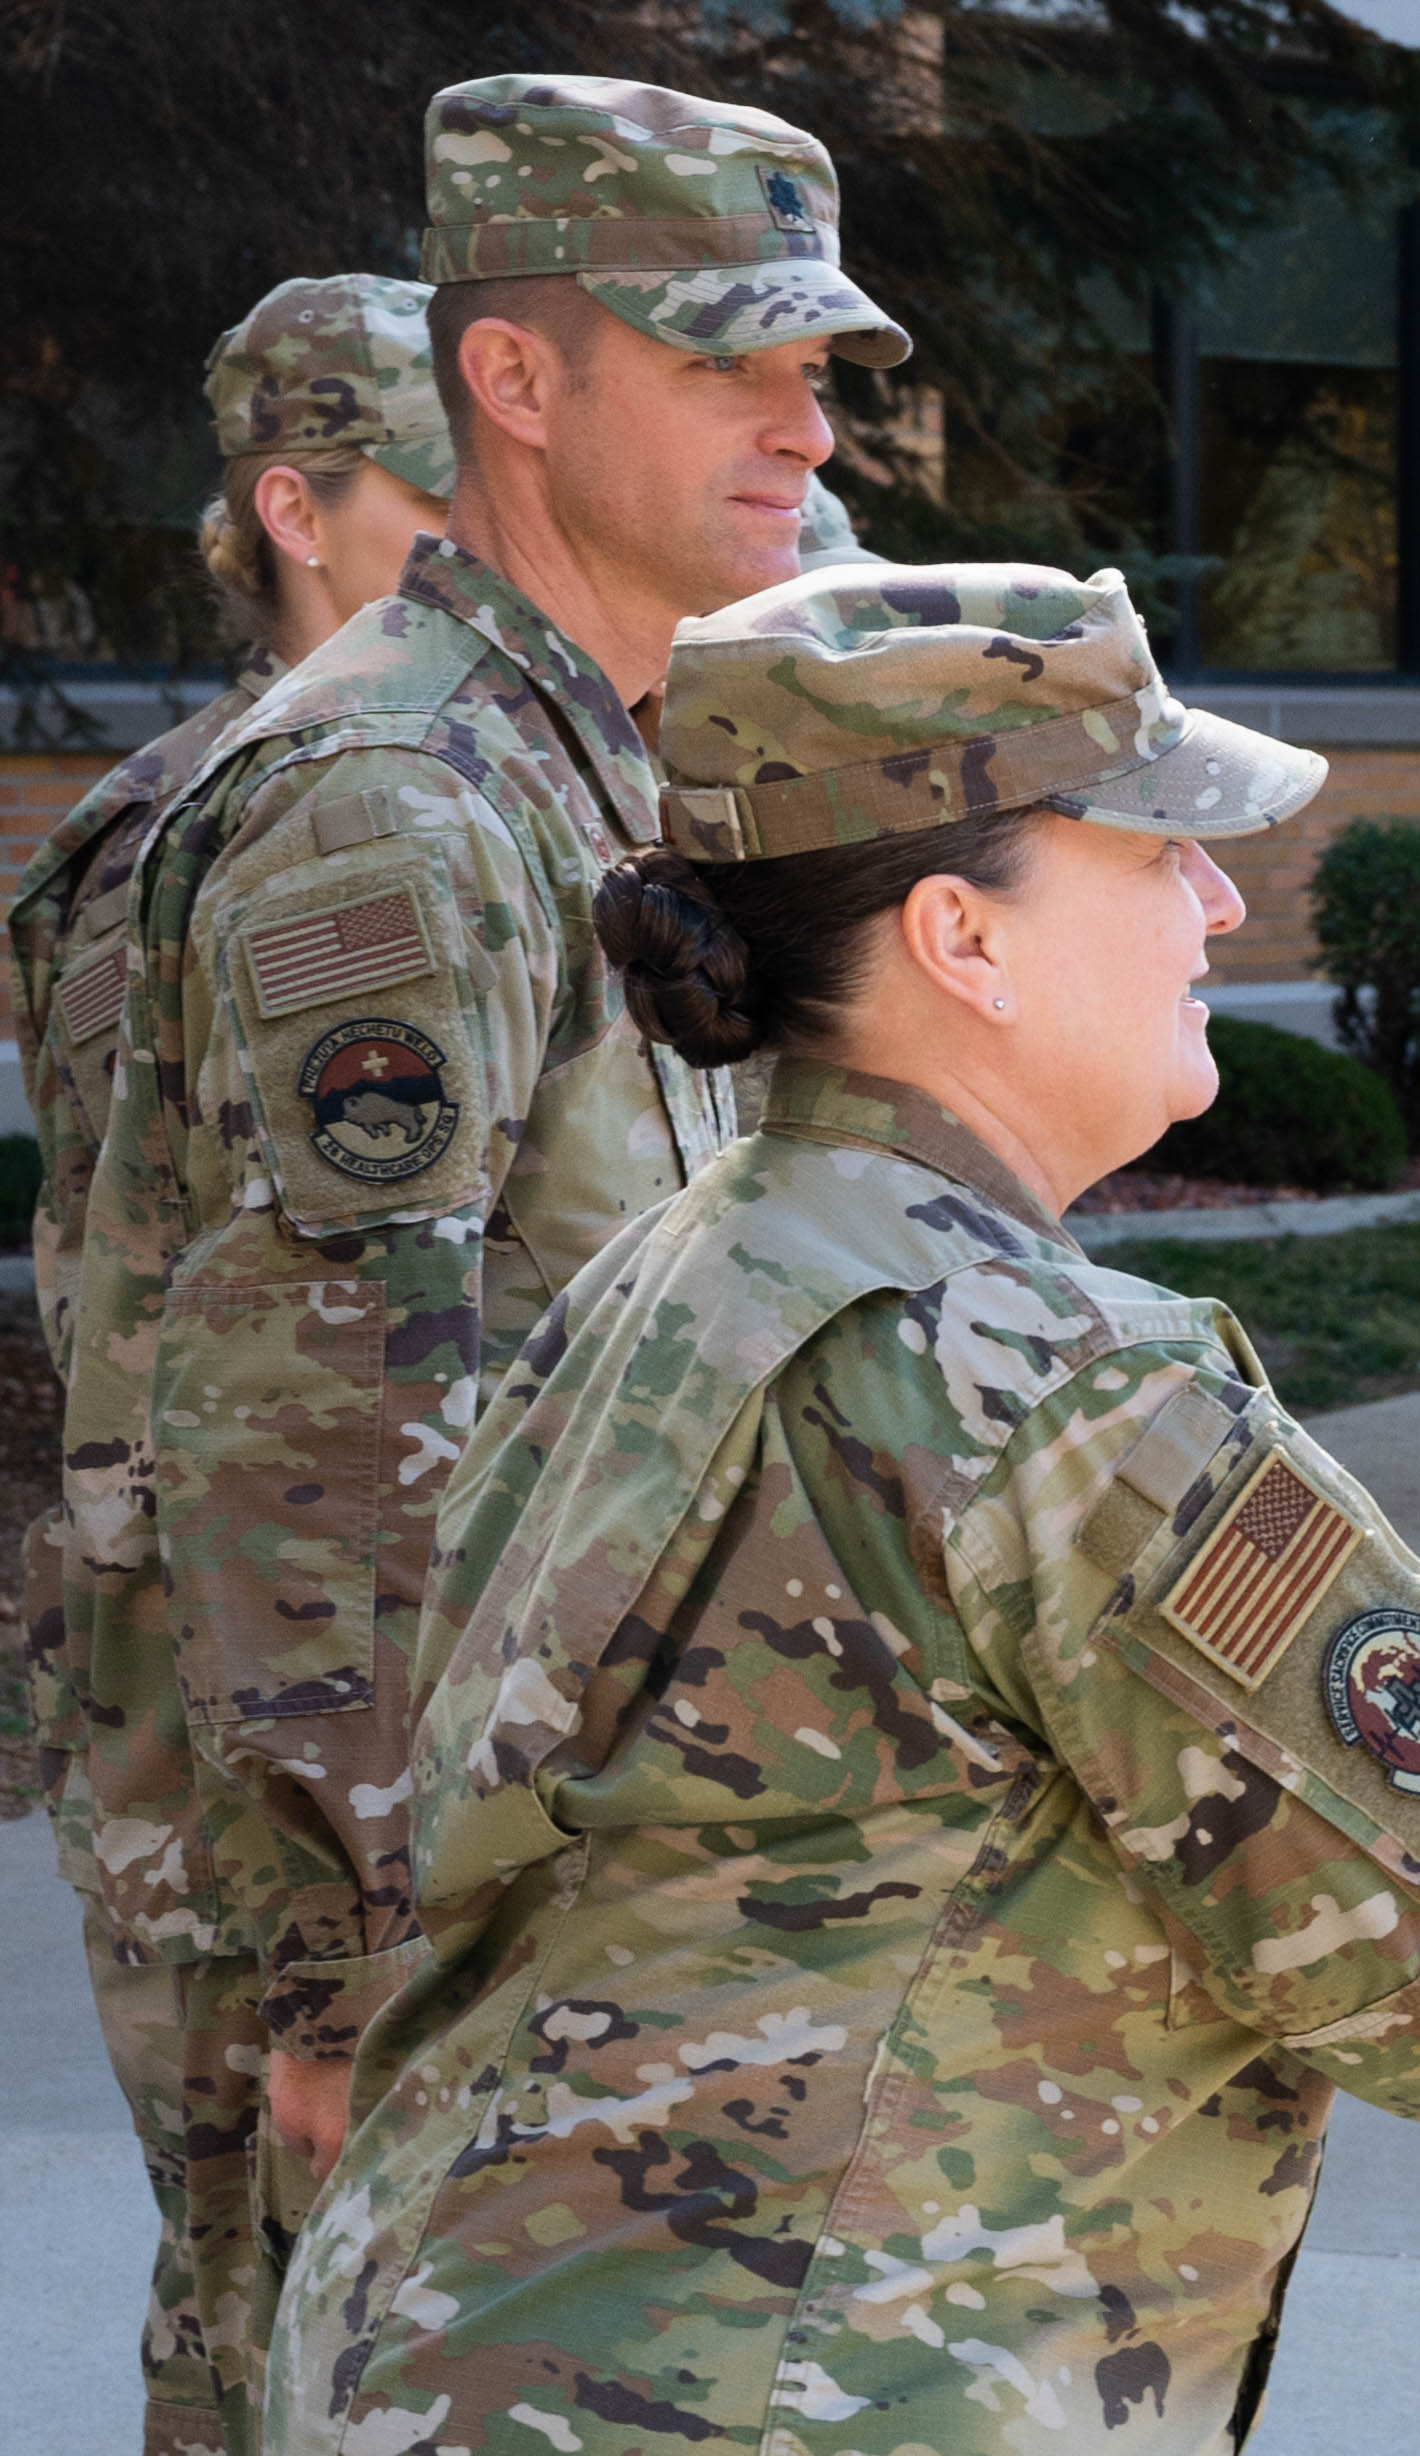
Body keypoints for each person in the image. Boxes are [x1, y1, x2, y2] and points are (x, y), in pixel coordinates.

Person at [265, 562, 1420, 2456]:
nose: (1224, 901)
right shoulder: (1060, 1391)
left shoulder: (663, 1278)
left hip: (455, 2354)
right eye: (1159, 852)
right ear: (959, 939)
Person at [57, 73, 903, 2445]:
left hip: (554, 1882)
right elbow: (318, 1449)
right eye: (728, 359)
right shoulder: (398, 805)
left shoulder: (596, 768)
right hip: (405, 1922)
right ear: (513, 385)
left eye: (815, 367)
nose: (800, 421)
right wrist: (366, 1978)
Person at [7, 271, 450, 2456]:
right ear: (298, 503)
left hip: (386, 1705)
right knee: (274, 2295)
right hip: (235, 1722)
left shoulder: (487, 782)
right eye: (431, 500)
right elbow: (210, 1342)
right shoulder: (233, 833)